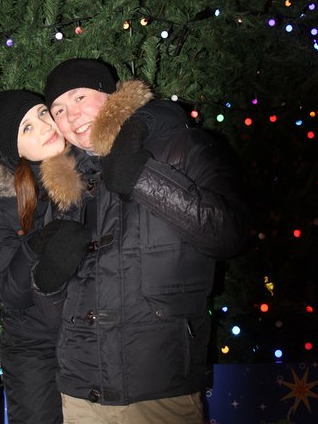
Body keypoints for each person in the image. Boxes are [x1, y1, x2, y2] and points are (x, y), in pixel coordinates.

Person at [41, 58, 251, 424]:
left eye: (79, 97)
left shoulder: (182, 146)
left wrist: (142, 177)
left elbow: (229, 234)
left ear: (111, 97)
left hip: (158, 387)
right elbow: (48, 306)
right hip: (80, 392)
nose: (71, 116)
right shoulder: (65, 187)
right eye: (58, 109)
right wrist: (48, 276)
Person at [0, 89, 91, 424]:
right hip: (35, 346)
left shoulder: (92, 168)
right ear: (15, 150)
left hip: (94, 332)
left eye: (42, 113)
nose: (44, 127)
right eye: (26, 128)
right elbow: (8, 291)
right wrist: (33, 245)